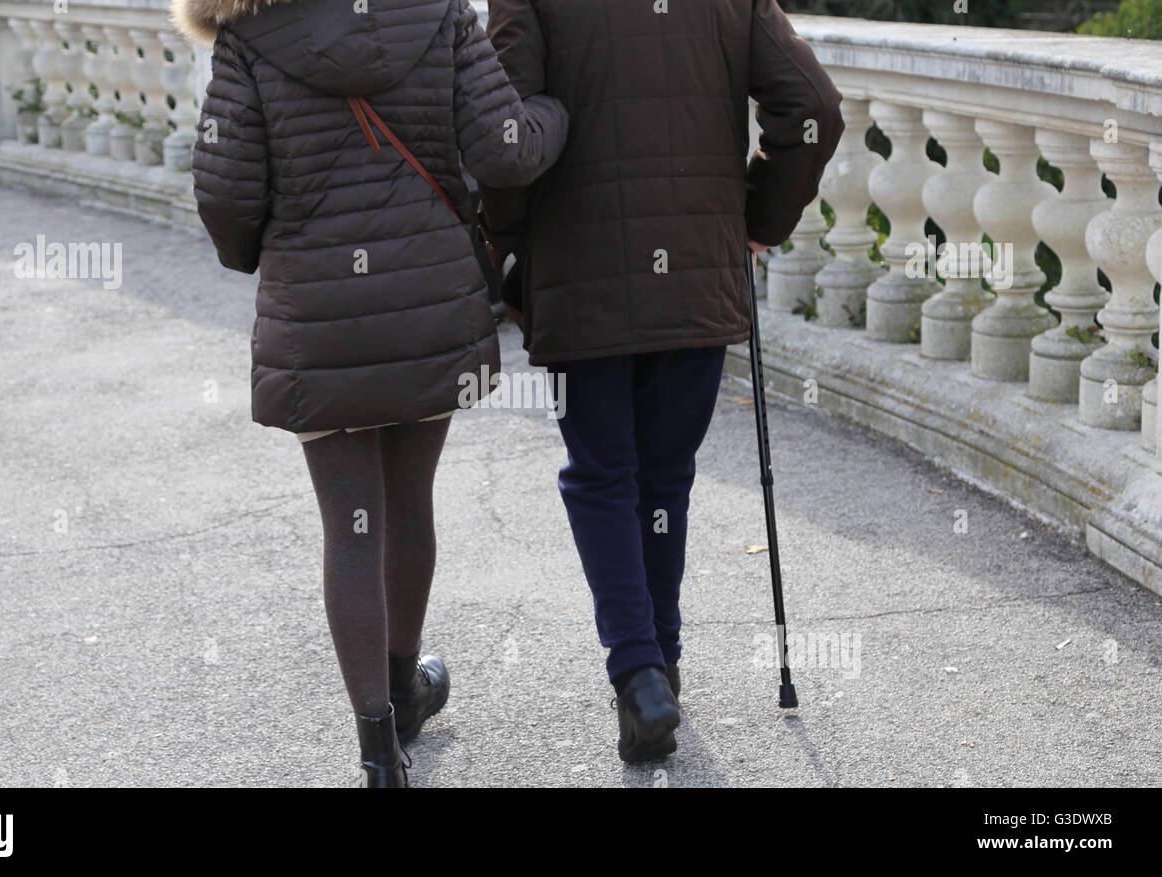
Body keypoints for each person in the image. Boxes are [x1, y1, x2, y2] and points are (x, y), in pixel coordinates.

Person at [174, 0, 568, 786]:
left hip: (319, 316)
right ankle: (402, 682)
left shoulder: (249, 35)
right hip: (429, 307)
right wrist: (555, 111)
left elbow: (224, 192)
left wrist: (266, 252)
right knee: (409, 498)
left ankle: (377, 747)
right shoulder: (441, 15)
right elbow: (505, 149)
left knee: (349, 527)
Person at [480, 0, 843, 764]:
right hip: (695, 269)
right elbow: (812, 105)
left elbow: (505, 136)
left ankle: (640, 671)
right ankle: (659, 666)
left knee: (603, 474)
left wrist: (508, 248)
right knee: (663, 477)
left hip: (582, 272)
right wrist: (754, 216)